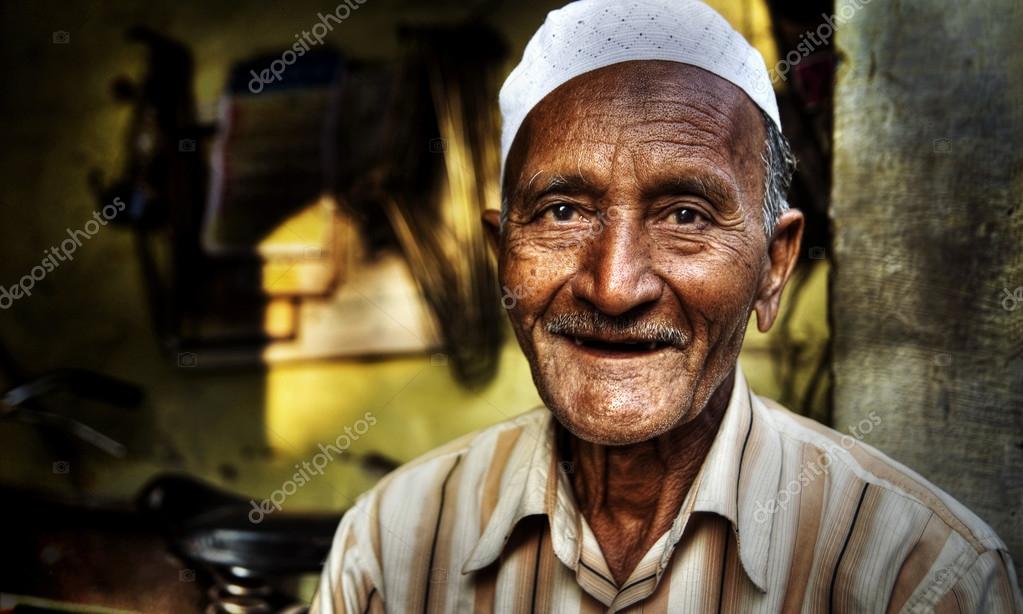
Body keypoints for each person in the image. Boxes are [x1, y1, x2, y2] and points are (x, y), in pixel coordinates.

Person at [310, 1, 1023, 611]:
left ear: (773, 267)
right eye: (562, 211)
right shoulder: (389, 548)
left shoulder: (924, 577)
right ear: (503, 254)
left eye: (686, 215)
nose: (615, 287)